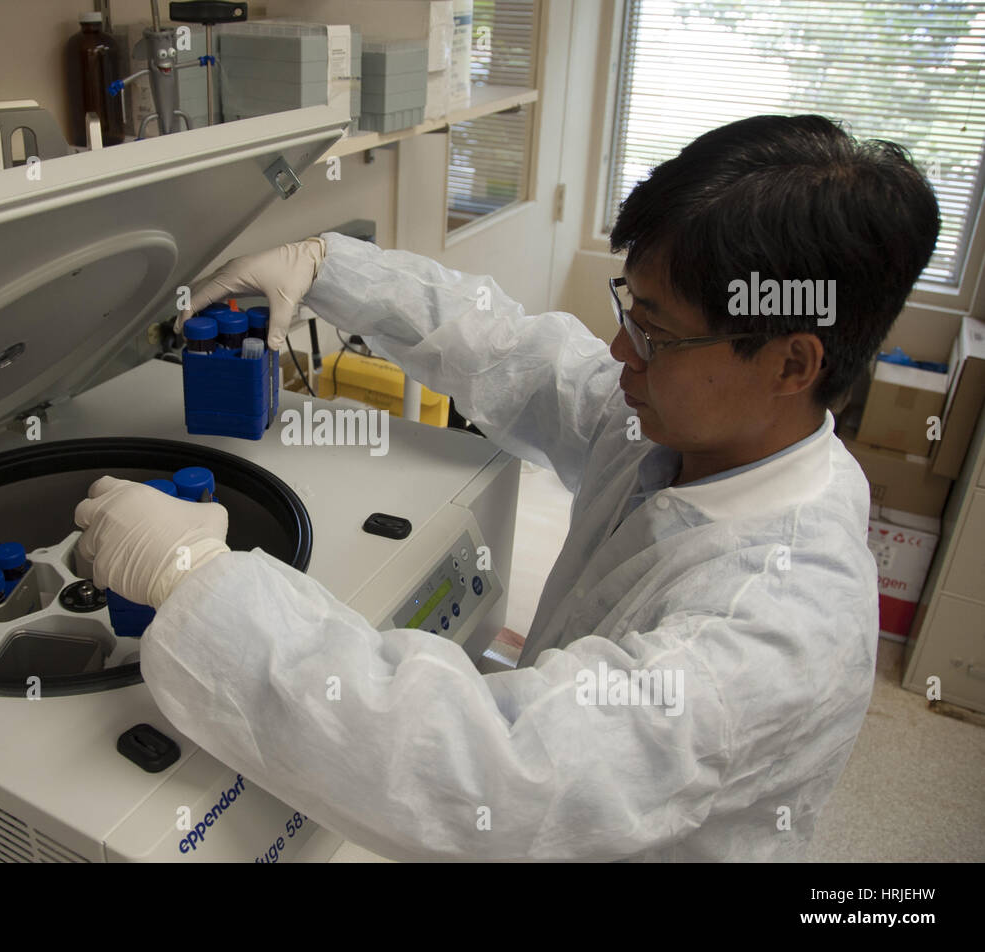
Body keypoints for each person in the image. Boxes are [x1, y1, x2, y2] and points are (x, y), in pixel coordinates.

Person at [73, 115, 940, 861]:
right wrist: (327, 265)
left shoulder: (776, 631)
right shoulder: (694, 432)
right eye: (629, 308)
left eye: (656, 332)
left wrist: (200, 584)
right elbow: (518, 353)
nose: (620, 351)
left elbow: (499, 776)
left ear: (791, 364)